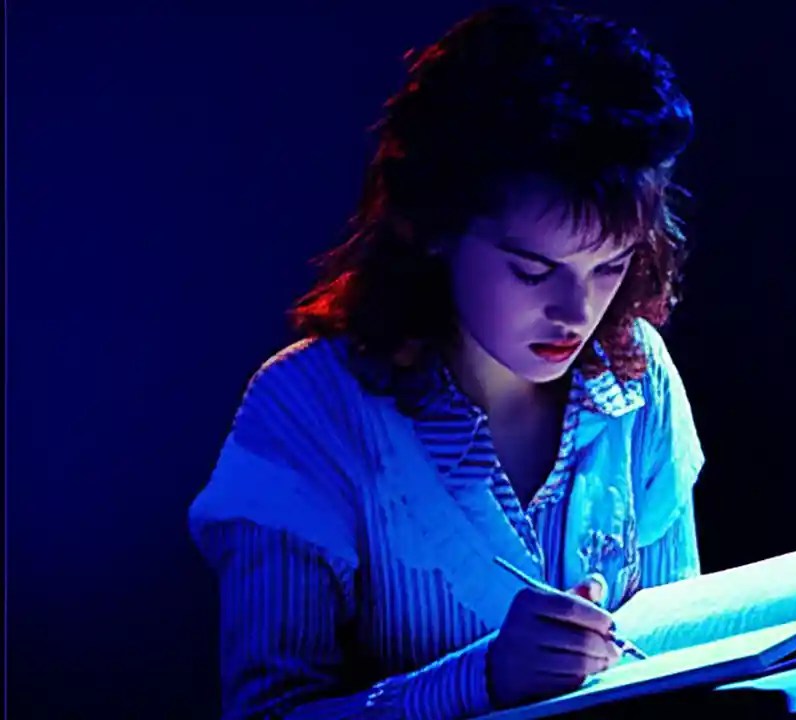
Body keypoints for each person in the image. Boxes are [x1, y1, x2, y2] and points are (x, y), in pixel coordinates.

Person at [187, 3, 705, 718]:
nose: (575, 313)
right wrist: (483, 680)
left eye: (609, 267)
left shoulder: (634, 375)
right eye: (531, 270)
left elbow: (684, 658)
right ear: (432, 226)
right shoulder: (306, 411)